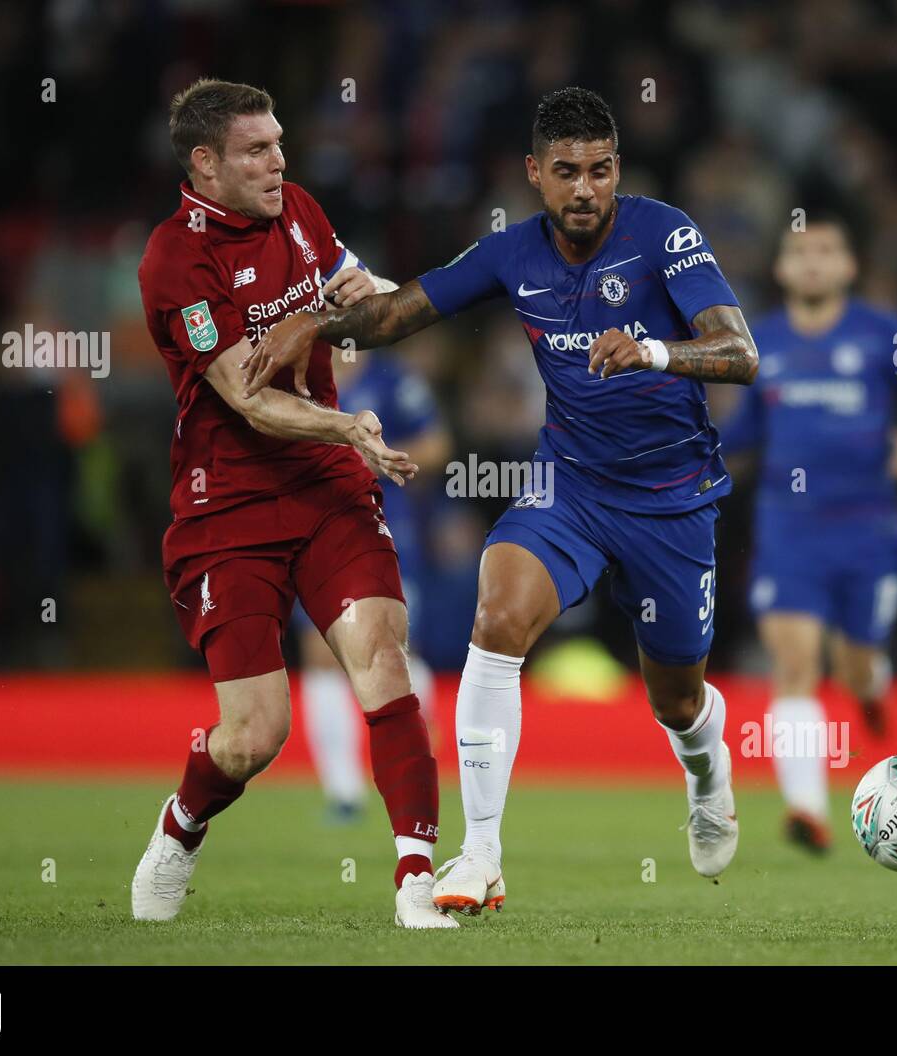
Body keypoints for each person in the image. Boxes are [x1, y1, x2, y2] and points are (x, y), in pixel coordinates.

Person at [240, 87, 760, 914]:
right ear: (534, 175)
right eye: (565, 173)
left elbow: (741, 353)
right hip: (572, 487)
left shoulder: (666, 234)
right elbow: (397, 312)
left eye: (598, 171)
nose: (583, 188)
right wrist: (313, 326)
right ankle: (480, 854)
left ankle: (707, 774)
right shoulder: (510, 254)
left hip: (673, 501)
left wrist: (654, 350)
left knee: (678, 697)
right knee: (497, 618)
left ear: (616, 170)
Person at [134, 78, 454, 928]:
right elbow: (247, 395)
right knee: (252, 737)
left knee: (383, 659)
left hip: (325, 487)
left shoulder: (301, 212)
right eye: (256, 150)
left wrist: (377, 299)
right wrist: (346, 416)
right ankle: (181, 825)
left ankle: (416, 881)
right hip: (226, 508)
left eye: (279, 143)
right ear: (205, 164)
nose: (280, 161)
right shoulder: (175, 260)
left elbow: (361, 288)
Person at [721, 217, 897, 852]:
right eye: (800, 252)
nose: (813, 263)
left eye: (826, 252)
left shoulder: (884, 334)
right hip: (789, 531)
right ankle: (808, 808)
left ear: (849, 267)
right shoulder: (759, 343)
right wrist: (691, 451)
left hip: (869, 530)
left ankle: (872, 686)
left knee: (853, 664)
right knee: (795, 663)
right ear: (782, 270)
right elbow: (743, 434)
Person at [297, 349, 450, 822]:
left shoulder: (393, 377)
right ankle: (343, 792)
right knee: (321, 650)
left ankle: (416, 768)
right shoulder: (298, 376)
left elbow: (437, 445)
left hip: (387, 523)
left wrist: (377, 459)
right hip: (315, 525)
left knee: (393, 649)